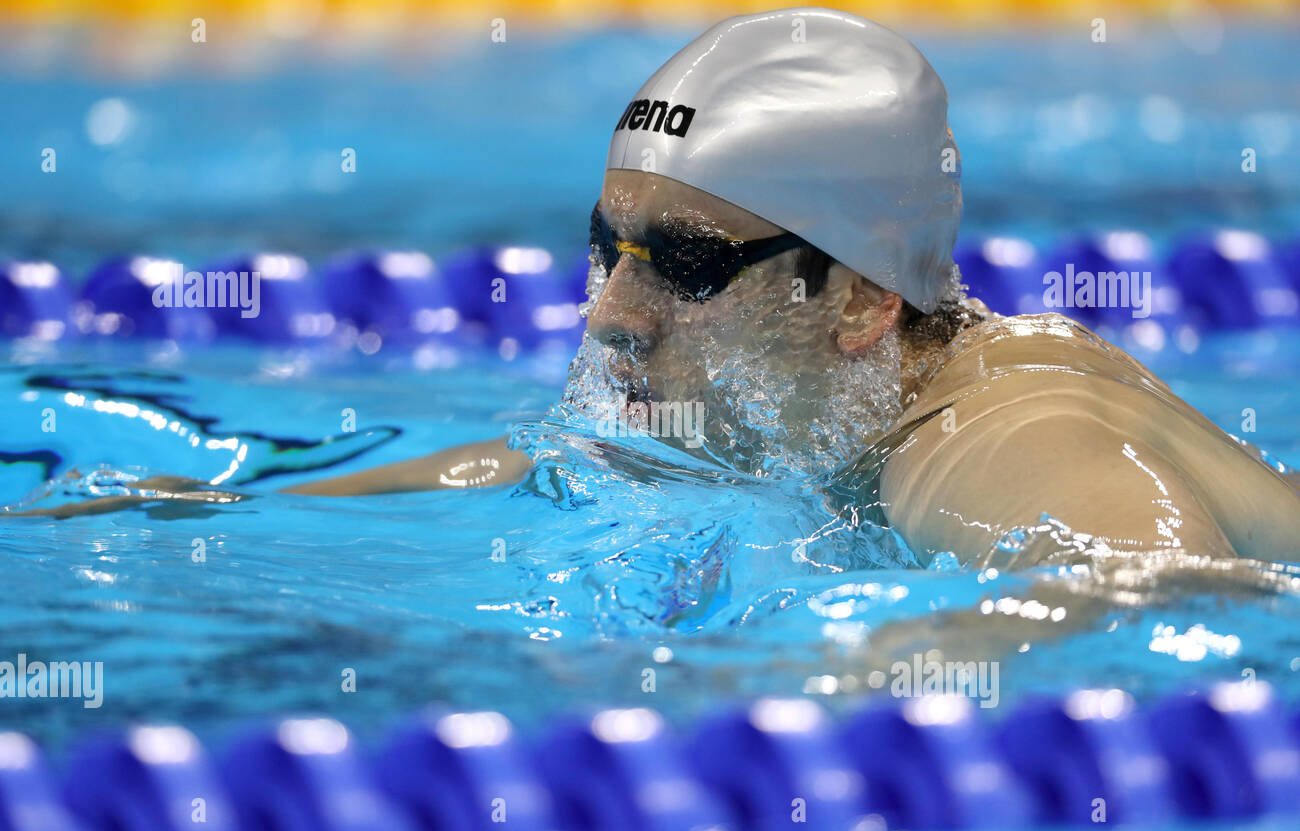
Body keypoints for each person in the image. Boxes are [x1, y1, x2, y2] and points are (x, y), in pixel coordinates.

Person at [16, 8, 1300, 566]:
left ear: (858, 300)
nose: (610, 313)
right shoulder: (799, 400)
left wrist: (910, 666)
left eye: (687, 264)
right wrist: (225, 503)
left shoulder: (996, 440)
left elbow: (1155, 584)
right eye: (607, 247)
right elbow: (548, 464)